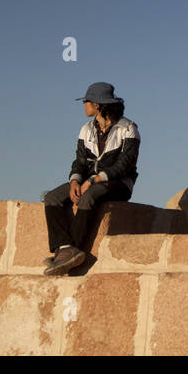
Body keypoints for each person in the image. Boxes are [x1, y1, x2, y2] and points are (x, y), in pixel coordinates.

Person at [43, 82, 140, 275]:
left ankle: (75, 249)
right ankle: (64, 248)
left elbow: (124, 165)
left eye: (87, 101)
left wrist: (94, 180)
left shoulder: (128, 128)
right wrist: (74, 181)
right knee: (52, 197)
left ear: (97, 105)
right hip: (88, 181)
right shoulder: (86, 129)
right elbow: (79, 161)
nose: (84, 105)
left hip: (118, 184)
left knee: (89, 197)